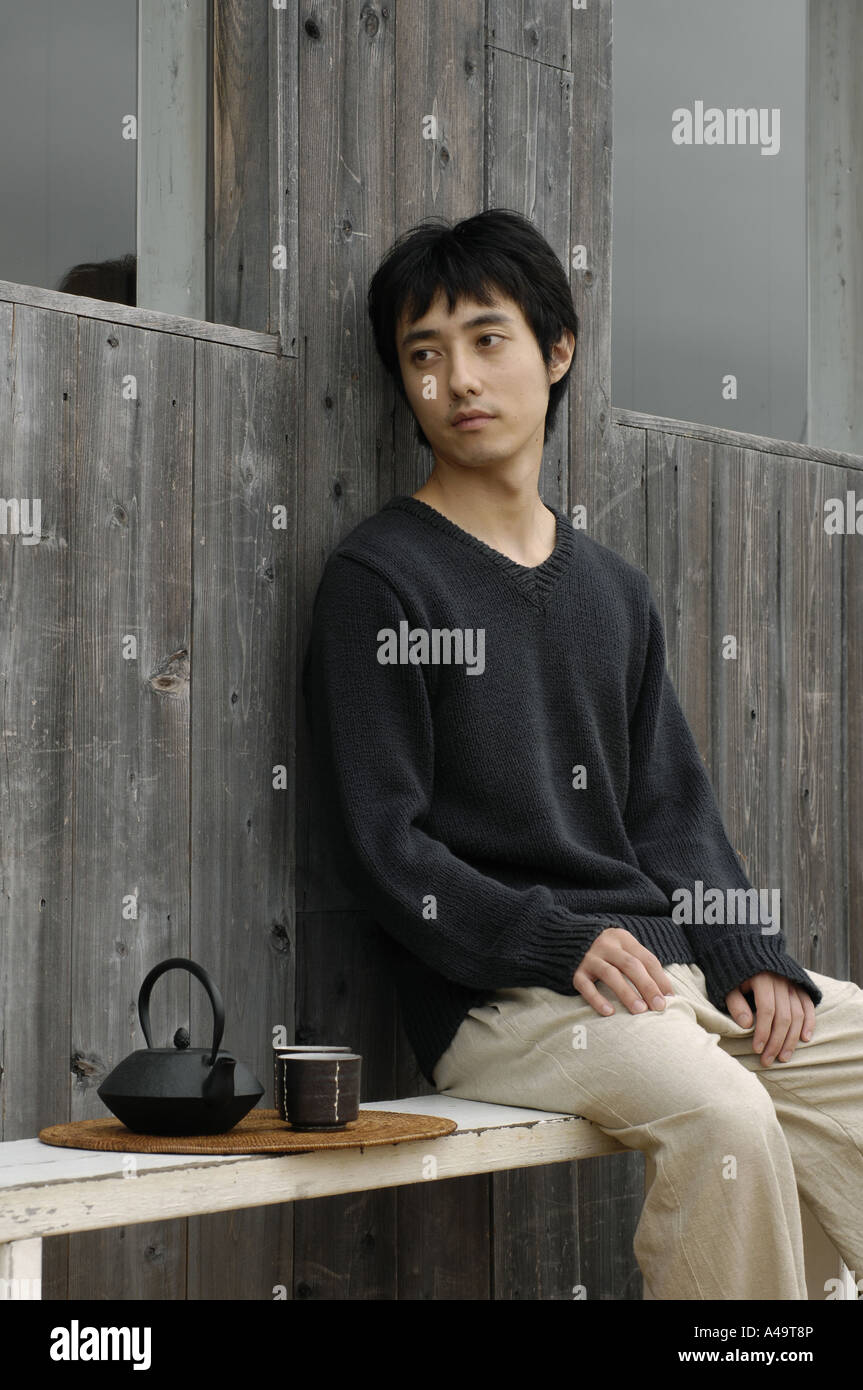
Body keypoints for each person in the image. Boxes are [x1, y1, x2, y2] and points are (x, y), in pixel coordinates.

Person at [301, 208, 863, 1300]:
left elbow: (668, 811)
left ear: (555, 352)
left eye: (485, 337)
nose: (455, 377)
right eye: (422, 354)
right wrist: (549, 937)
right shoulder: (380, 580)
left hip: (669, 975)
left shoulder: (611, 590)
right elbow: (386, 851)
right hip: (501, 1000)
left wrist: (744, 948)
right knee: (728, 1117)